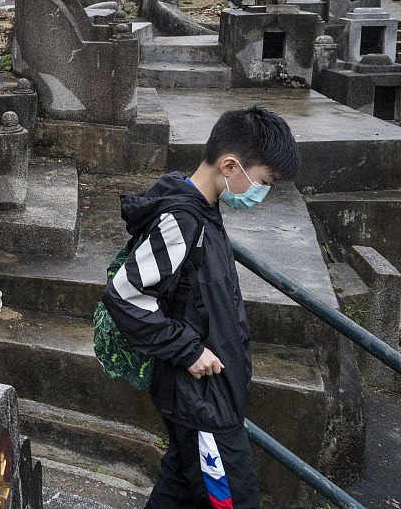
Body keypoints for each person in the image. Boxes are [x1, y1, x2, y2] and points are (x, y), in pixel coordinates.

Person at [102, 106, 301, 509]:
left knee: (178, 486)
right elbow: (124, 293)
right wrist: (187, 349)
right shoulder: (183, 220)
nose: (264, 192)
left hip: (210, 397)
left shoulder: (203, 212)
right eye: (264, 181)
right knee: (234, 500)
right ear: (231, 166)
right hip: (203, 404)